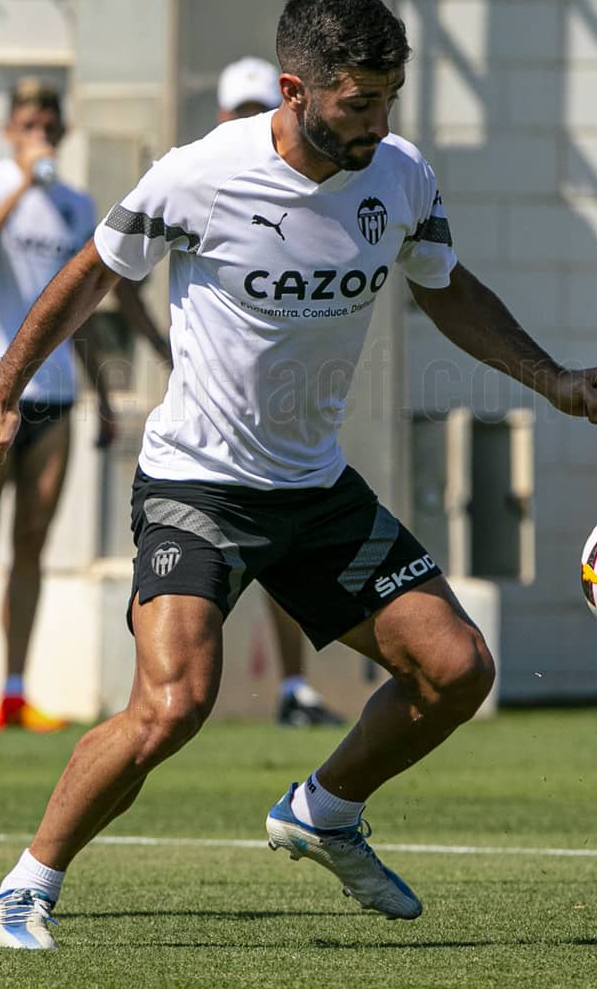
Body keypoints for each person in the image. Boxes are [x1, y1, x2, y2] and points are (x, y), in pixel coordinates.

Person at [0, 0, 597, 951]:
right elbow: (90, 274)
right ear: (296, 90)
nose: (379, 122)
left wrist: (550, 379)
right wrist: (2, 389)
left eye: (390, 99)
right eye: (360, 102)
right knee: (173, 704)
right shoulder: (201, 174)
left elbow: (445, 288)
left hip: (313, 490)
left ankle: (326, 810)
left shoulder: (400, 176)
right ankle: (24, 887)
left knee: (457, 668)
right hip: (197, 488)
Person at [0, 79, 143, 734]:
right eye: (28, 124)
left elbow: (81, 308)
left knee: (32, 542)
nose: (39, 134)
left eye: (49, 125)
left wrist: (104, 393)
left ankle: (13, 691)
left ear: (63, 131)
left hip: (56, 397)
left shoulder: (77, 205)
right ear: (9, 130)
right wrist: (21, 185)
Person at [216, 55, 345, 728]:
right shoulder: (204, 177)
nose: (250, 122)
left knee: (281, 564)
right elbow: (112, 271)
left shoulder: (323, 187)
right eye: (239, 111)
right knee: (197, 577)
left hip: (293, 431)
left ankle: (294, 687)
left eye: (257, 109)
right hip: (212, 435)